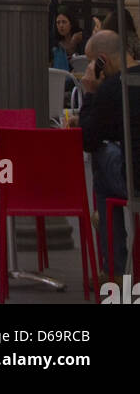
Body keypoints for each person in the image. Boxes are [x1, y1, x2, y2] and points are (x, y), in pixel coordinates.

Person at [78, 29, 140, 276]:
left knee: (101, 157)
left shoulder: (113, 87)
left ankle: (113, 268)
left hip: (134, 184)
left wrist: (91, 94)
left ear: (102, 60)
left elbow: (88, 139)